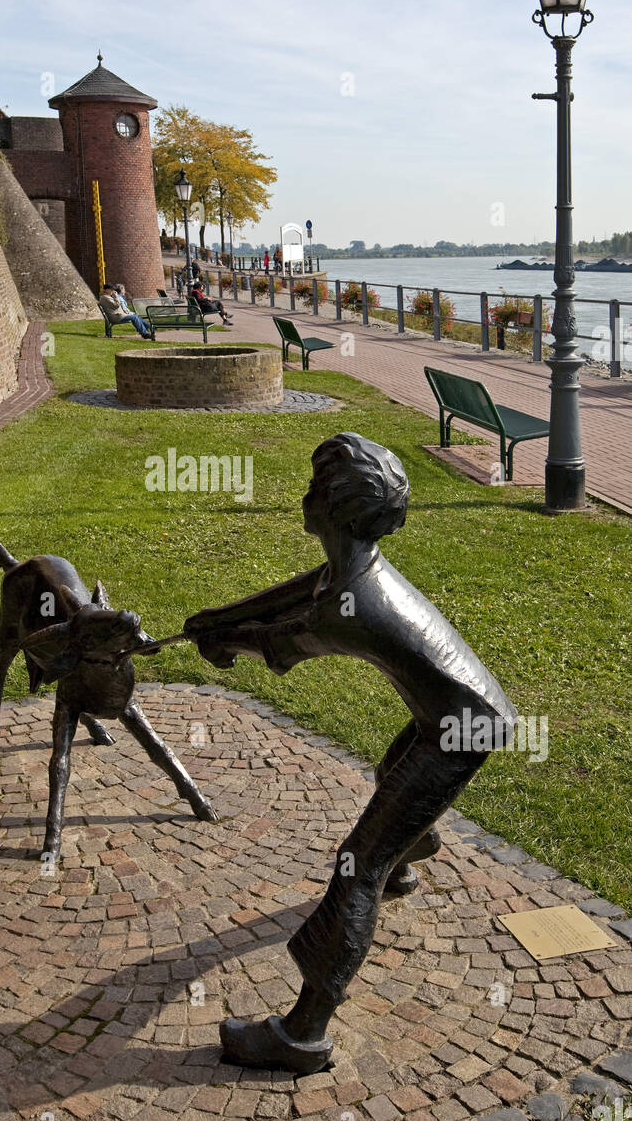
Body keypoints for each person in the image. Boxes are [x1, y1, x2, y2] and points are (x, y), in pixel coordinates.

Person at [184, 433, 517, 1074]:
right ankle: (407, 854)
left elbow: (286, 641)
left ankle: (303, 1032)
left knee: (354, 866)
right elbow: (296, 596)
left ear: (335, 511)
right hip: (450, 712)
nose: (302, 497)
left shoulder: (355, 605)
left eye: (314, 489)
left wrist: (229, 641)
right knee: (392, 782)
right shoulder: (351, 569)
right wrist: (219, 619)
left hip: (463, 727)